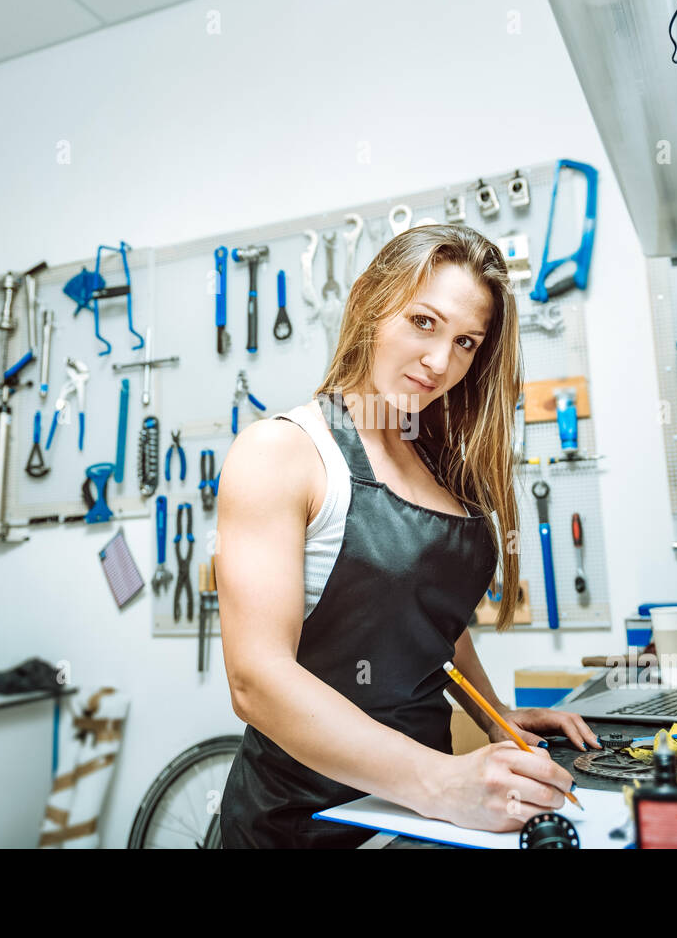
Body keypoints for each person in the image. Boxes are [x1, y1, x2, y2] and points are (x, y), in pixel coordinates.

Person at [216, 224, 600, 848]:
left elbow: (430, 617)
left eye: (466, 342)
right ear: (369, 298)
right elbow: (256, 680)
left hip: (415, 822)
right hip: (303, 823)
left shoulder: (436, 464)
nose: (440, 361)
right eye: (424, 322)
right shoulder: (282, 452)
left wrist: (494, 715)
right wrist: (440, 782)